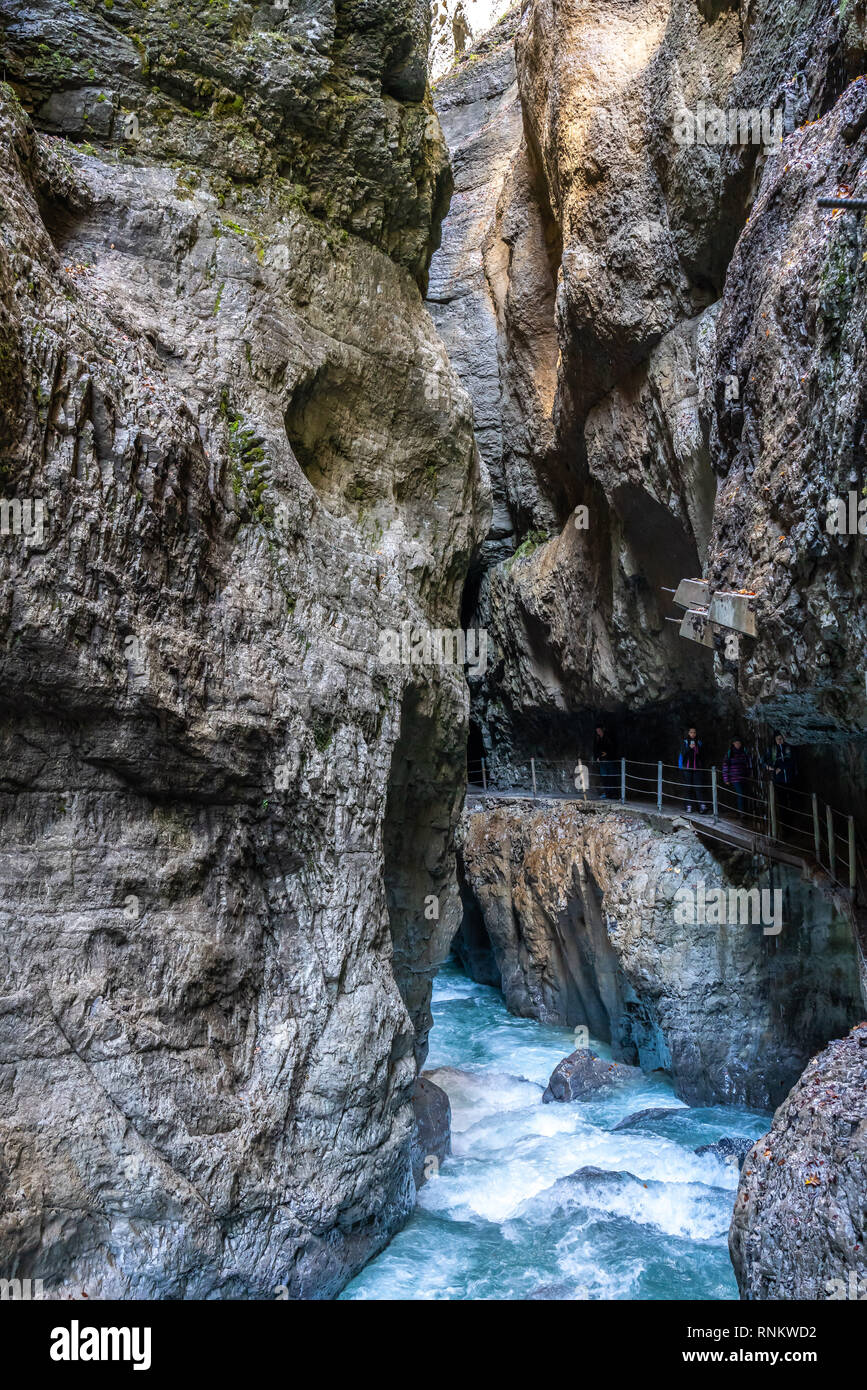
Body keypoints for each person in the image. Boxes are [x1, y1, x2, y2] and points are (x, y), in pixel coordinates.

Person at [764, 732, 798, 824]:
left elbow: (793, 761)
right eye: (777, 739)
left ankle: (794, 821)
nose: (779, 740)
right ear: (775, 740)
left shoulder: (789, 748)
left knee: (793, 801)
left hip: (791, 779)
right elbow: (764, 761)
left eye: (781, 738)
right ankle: (785, 823)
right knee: (782, 802)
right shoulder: (772, 750)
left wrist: (781, 768)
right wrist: (768, 767)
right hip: (779, 781)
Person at [678, 726, 707, 813]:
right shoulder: (685, 742)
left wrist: (697, 750)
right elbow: (682, 754)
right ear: (688, 733)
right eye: (691, 732)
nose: (693, 734)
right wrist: (689, 748)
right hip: (687, 768)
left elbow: (703, 756)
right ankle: (688, 806)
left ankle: (702, 806)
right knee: (688, 787)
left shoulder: (699, 743)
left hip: (697, 768)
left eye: (694, 732)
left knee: (698, 787)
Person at [722, 737, 752, 816]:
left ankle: (745, 811)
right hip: (734, 778)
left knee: (745, 794)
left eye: (739, 743)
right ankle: (742, 813)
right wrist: (726, 779)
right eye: (736, 743)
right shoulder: (730, 753)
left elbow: (748, 764)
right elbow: (725, 766)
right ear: (733, 744)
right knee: (740, 793)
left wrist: (749, 774)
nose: (738, 744)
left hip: (744, 777)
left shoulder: (744, 752)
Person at [593, 724, 618, 799]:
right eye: (597, 731)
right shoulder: (597, 738)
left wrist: (604, 754)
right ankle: (607, 793)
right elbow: (596, 749)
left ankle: (614, 794)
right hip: (602, 761)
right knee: (604, 778)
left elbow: (611, 749)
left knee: (611, 777)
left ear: (602, 730)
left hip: (609, 760)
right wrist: (597, 757)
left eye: (599, 730)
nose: (598, 732)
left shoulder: (608, 737)